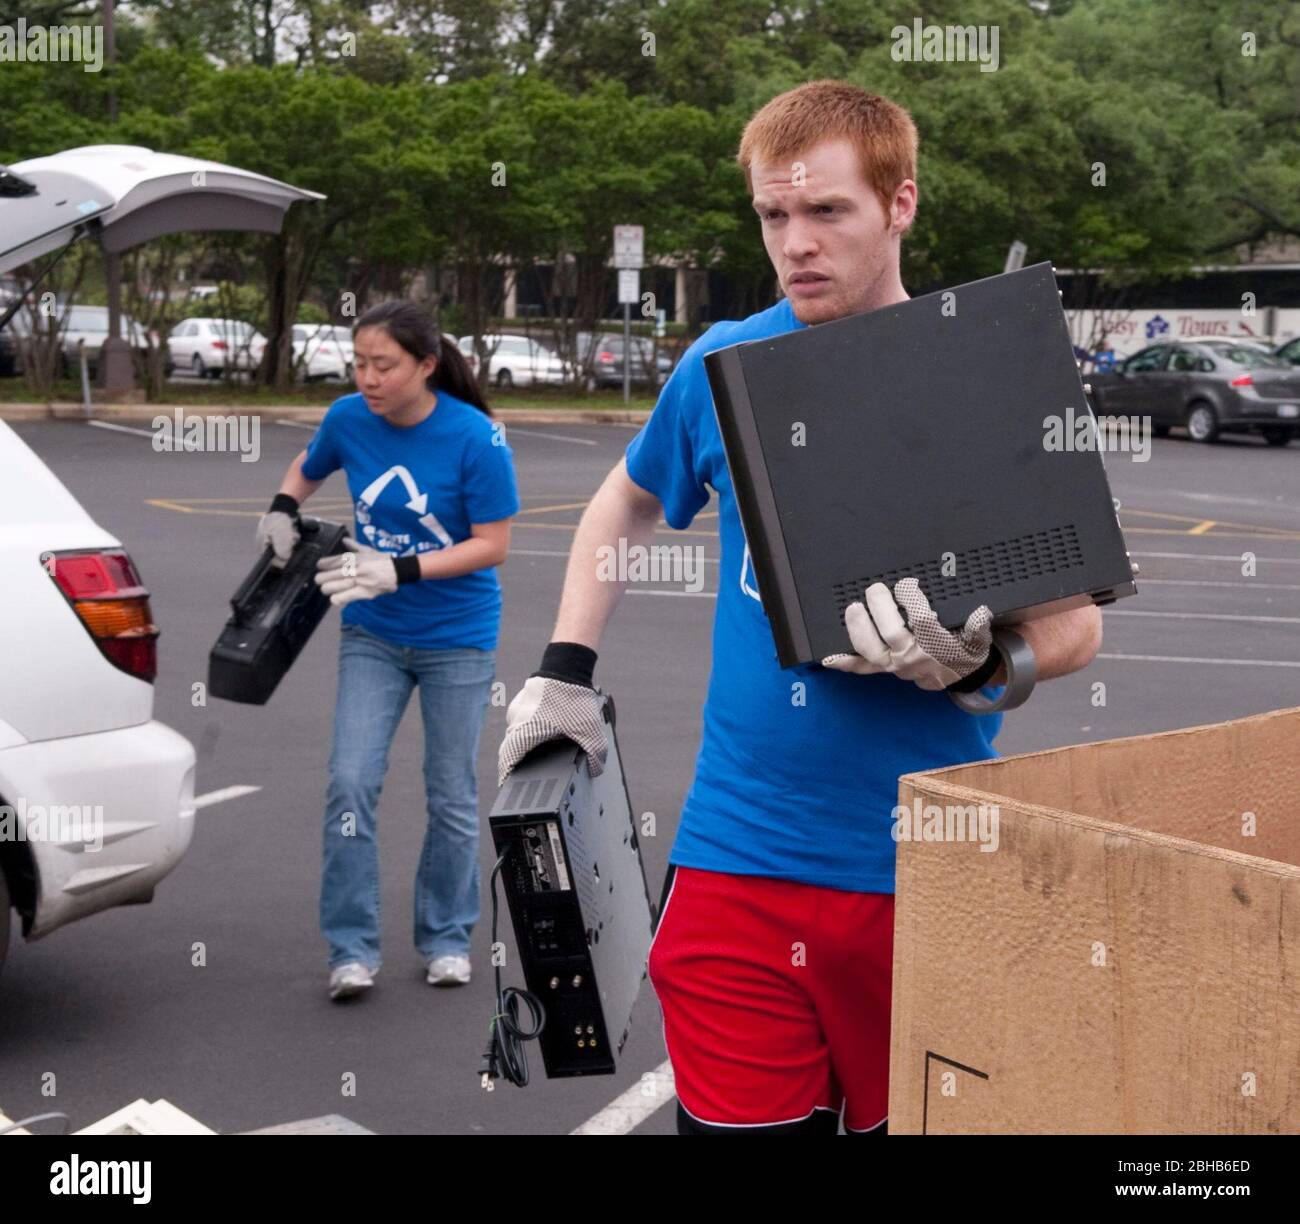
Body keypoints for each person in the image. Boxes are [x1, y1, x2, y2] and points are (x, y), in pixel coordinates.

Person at [497, 81, 1102, 1134]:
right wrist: (562, 667)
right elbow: (623, 503)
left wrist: (978, 665)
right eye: (774, 217)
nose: (796, 244)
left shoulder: (983, 373)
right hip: (738, 855)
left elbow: (1075, 626)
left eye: (828, 212)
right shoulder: (727, 362)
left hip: (924, 865)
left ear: (899, 204)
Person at [257, 300, 519, 1001]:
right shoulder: (348, 418)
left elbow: (493, 544)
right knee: (349, 781)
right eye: (360, 363)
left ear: (426, 366)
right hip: (372, 635)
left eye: (384, 365)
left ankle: (444, 938)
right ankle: (351, 949)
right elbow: (308, 466)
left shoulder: (476, 438)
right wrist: (282, 507)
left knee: (451, 793)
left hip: (457, 640)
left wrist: (399, 569)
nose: (368, 378)